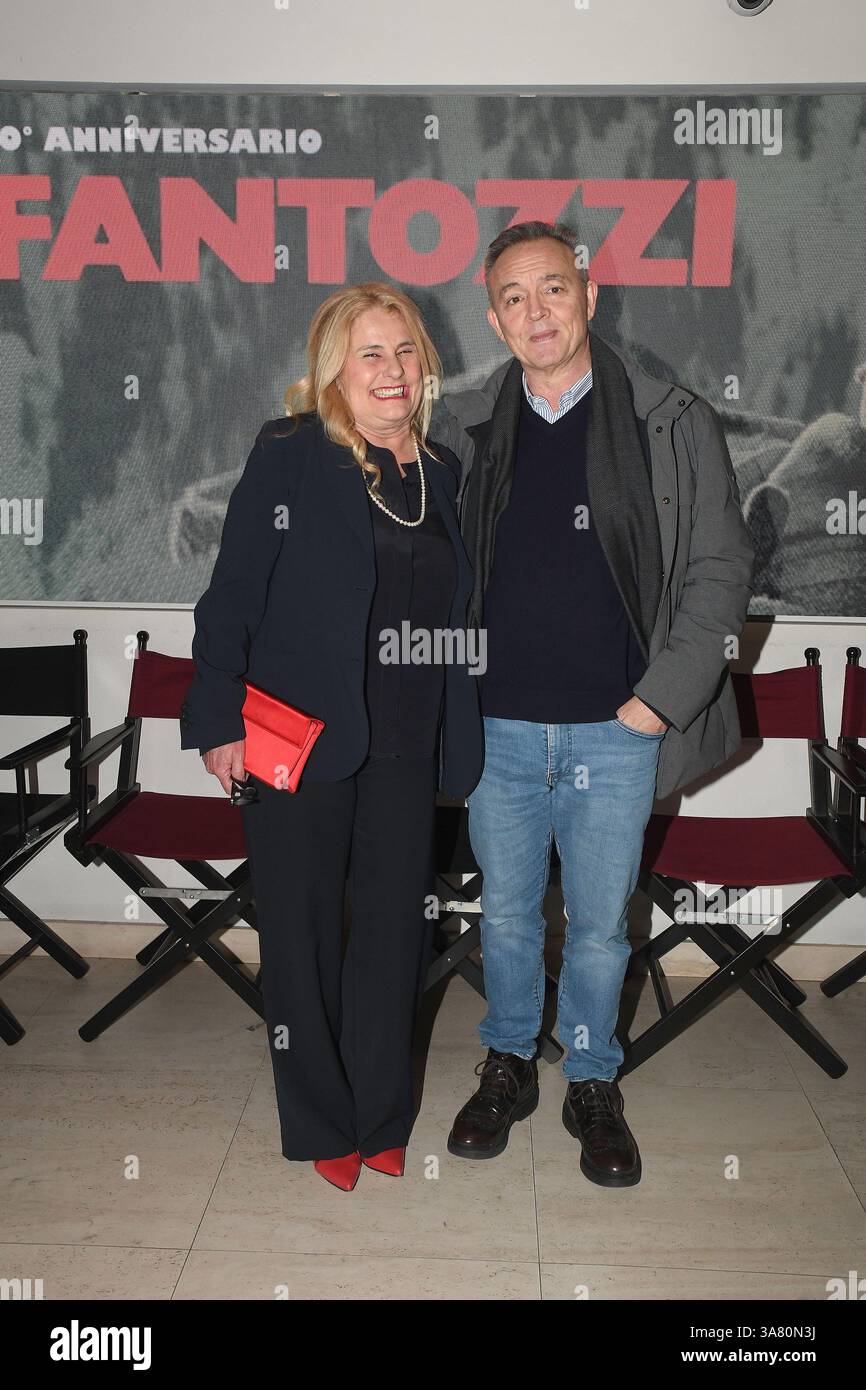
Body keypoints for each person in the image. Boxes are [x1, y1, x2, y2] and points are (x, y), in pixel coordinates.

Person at [431, 220, 756, 1187]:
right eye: (514, 298)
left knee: (605, 925)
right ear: (494, 319)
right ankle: (505, 1065)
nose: (537, 310)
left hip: (619, 728)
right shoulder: (467, 425)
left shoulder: (670, 418)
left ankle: (590, 1079)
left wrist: (660, 701)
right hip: (498, 727)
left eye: (553, 289)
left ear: (590, 294)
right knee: (509, 917)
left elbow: (719, 568)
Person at [180, 283, 482, 1191]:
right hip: (299, 736)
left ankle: (382, 1115)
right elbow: (231, 593)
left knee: (395, 935)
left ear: (424, 365)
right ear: (333, 373)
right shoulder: (291, 456)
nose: (391, 372)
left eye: (404, 353)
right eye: (370, 355)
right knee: (303, 939)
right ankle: (320, 1124)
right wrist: (215, 713)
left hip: (405, 739)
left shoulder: (443, 472)